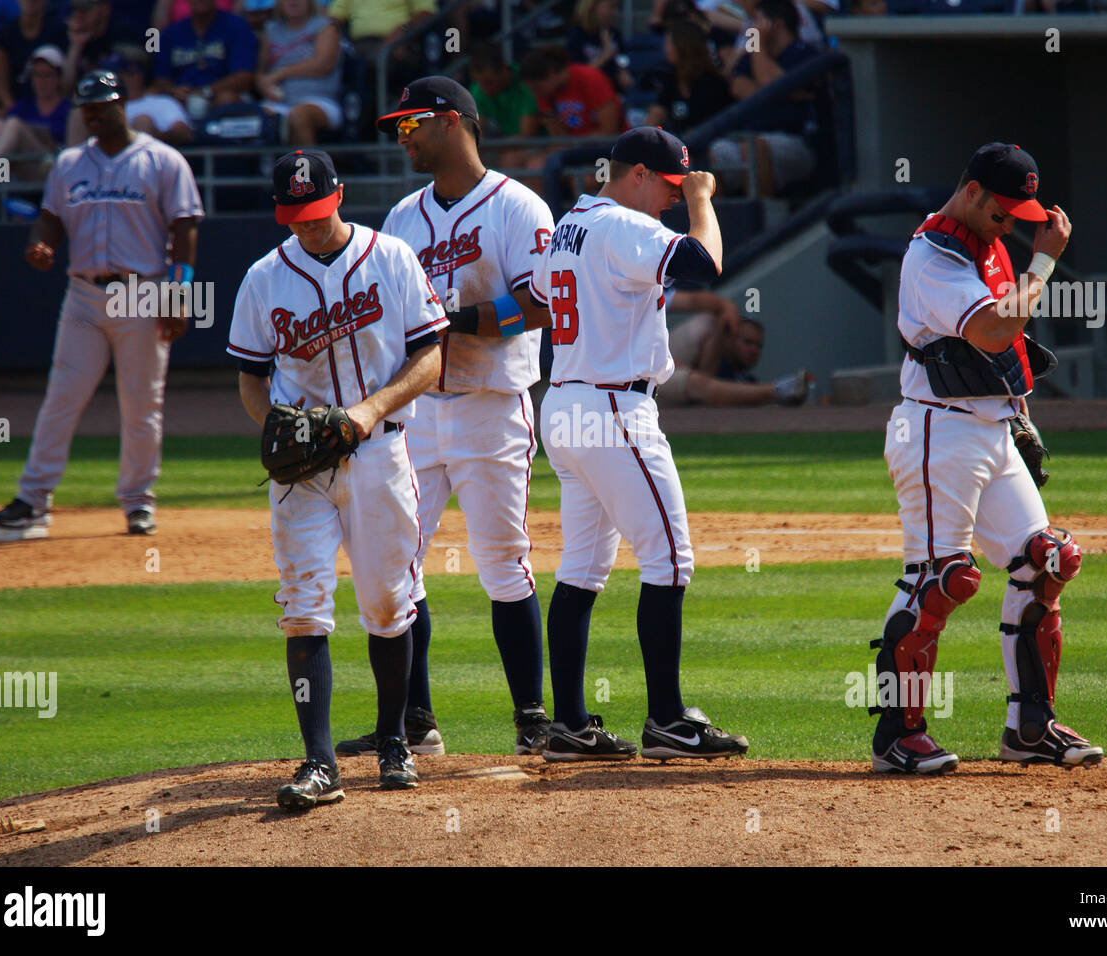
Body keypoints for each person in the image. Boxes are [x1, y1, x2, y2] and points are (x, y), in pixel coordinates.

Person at [334, 76, 554, 761]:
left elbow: (539, 304)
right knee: (396, 562)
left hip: (493, 406)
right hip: (417, 411)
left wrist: (456, 321)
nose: (403, 138)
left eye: (411, 126)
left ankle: (532, 721)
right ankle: (411, 722)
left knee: (503, 566)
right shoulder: (401, 218)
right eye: (397, 128)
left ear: (453, 122)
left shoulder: (518, 207)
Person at [870, 142, 1103, 774]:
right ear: (971, 192)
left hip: (993, 429)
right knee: (941, 580)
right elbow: (995, 330)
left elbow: (1005, 355)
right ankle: (898, 733)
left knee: (1048, 561)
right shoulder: (933, 258)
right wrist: (1046, 263)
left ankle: (1029, 727)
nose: (1009, 226)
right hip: (937, 433)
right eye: (1002, 214)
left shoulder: (988, 244)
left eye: (1016, 218)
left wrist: (1021, 416)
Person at [228, 148, 447, 808]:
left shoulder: (390, 258)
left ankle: (392, 742)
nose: (309, 227)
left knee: (388, 605)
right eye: (296, 217)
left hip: (380, 453)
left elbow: (431, 356)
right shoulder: (264, 277)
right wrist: (272, 427)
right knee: (303, 609)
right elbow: (248, 375)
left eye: (318, 214)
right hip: (304, 473)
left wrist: (369, 410)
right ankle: (319, 764)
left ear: (340, 196)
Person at [529, 126, 749, 762]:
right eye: (671, 187)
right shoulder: (623, 225)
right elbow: (704, 262)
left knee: (581, 570)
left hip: (567, 401)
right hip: (611, 406)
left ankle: (568, 724)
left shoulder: (571, 221)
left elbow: (545, 301)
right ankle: (669, 721)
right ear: (639, 176)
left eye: (683, 191)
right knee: (670, 560)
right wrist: (707, 199)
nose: (675, 200)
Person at [0, 70, 202, 537]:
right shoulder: (68, 163)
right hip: (84, 294)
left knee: (142, 404)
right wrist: (40, 245)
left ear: (122, 102)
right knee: (62, 397)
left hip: (142, 290)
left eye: (100, 105)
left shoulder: (163, 160)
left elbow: (184, 229)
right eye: (85, 107)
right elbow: (50, 218)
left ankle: (138, 502)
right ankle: (33, 496)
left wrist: (178, 291)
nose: (92, 114)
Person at [713, 0, 820, 196]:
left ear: (777, 24)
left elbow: (769, 83)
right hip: (754, 136)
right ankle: (718, 221)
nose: (752, 27)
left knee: (754, 148)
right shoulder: (755, 54)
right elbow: (738, 87)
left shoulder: (804, 53)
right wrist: (778, 95)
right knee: (713, 152)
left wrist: (757, 44)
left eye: (758, 21)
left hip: (796, 141)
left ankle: (762, 218)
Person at [661, 293, 812, 406]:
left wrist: (727, 307)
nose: (754, 350)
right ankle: (778, 390)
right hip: (641, 378)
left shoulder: (647, 283)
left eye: (758, 346)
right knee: (695, 382)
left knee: (708, 321)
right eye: (747, 343)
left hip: (658, 360)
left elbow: (692, 300)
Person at [0, 43, 67, 185]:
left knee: (15, 124)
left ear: (58, 78)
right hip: (15, 171)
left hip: (49, 171)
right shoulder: (24, 107)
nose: (41, 81)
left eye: (47, 75)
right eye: (37, 75)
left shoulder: (67, 109)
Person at [152, 0, 258, 117]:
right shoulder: (171, 34)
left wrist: (205, 91)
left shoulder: (236, 26)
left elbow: (244, 77)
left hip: (223, 97)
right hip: (183, 101)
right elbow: (161, 80)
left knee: (226, 99)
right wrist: (173, 91)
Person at [257, 0, 342, 145]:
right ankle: (266, 167)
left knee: (298, 116)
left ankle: (309, 167)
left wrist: (280, 74)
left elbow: (323, 64)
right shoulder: (270, 30)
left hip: (318, 100)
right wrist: (264, 86)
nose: (293, 2)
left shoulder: (324, 26)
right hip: (279, 101)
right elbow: (260, 72)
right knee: (255, 118)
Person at [643, 19, 732, 135]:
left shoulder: (712, 82)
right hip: (679, 144)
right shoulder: (672, 78)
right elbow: (657, 112)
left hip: (706, 144)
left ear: (683, 45)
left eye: (669, 43)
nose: (666, 49)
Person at [520, 43, 621, 138]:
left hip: (608, 148)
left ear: (551, 74)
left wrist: (573, 146)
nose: (535, 94)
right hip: (575, 148)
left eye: (537, 88)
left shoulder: (589, 78)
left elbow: (609, 131)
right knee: (514, 156)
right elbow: (558, 137)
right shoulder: (545, 94)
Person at [106, 44, 194, 145]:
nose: (111, 78)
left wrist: (154, 135)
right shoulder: (104, 105)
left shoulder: (163, 102)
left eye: (118, 73)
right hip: (106, 157)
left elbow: (183, 132)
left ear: (136, 75)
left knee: (142, 121)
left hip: (150, 157)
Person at [0, 0, 67, 103]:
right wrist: (14, 112)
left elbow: (65, 82)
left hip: (52, 109)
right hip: (15, 108)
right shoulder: (4, 36)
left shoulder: (60, 32)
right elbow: (1, 86)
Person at [467, 40, 538, 140]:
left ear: (504, 70)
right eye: (479, 83)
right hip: (510, 144)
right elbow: (477, 134)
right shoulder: (479, 89)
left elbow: (528, 135)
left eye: (489, 82)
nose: (485, 89)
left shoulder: (527, 82)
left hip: (544, 143)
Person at [566, 0, 631, 94]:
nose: (615, 12)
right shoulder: (577, 36)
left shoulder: (614, 34)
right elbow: (578, 76)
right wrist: (605, 54)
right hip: (588, 94)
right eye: (611, 7)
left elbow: (622, 58)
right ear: (593, 8)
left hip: (614, 93)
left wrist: (623, 71)